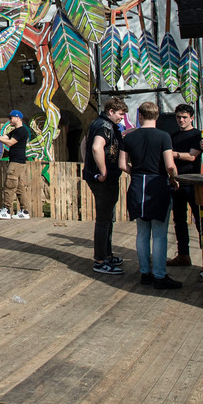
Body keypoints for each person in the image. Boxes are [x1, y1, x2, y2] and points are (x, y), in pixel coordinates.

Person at [120, 102, 180, 290]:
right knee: (160, 234)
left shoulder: (129, 137)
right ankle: (160, 275)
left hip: (138, 185)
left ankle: (145, 273)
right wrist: (173, 178)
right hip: (158, 185)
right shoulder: (163, 136)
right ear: (157, 116)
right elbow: (170, 165)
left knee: (142, 232)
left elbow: (122, 164)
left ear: (140, 116)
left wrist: (135, 172)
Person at [82, 96, 128, 275]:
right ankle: (100, 260)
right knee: (103, 220)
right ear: (111, 111)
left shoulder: (96, 123)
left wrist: (87, 165)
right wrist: (102, 171)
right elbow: (96, 147)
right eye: (120, 114)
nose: (122, 118)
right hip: (103, 180)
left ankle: (107, 255)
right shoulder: (104, 126)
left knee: (107, 218)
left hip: (97, 176)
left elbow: (83, 144)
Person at [167, 104, 203, 267]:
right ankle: (183, 254)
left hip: (193, 183)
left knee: (200, 221)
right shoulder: (173, 135)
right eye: (178, 117)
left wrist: (172, 154)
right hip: (177, 182)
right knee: (179, 220)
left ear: (192, 118)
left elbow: (192, 156)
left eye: (184, 117)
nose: (181, 120)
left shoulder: (197, 135)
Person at [0, 110, 31, 219]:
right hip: (18, 162)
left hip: (16, 162)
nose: (9, 120)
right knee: (19, 187)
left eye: (11, 118)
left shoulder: (22, 131)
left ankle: (6, 210)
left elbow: (10, 143)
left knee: (10, 184)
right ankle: (24, 211)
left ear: (17, 118)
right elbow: (5, 138)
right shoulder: (15, 131)